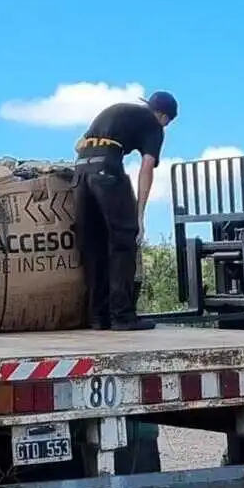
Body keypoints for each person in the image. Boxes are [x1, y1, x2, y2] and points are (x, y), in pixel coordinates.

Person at [73, 90, 178, 331]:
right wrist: (139, 213)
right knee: (123, 240)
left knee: (94, 245)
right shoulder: (153, 125)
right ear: (162, 115)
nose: (166, 125)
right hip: (106, 171)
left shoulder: (116, 110)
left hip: (80, 173)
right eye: (168, 121)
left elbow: (78, 144)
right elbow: (147, 167)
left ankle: (99, 317)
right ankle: (123, 316)